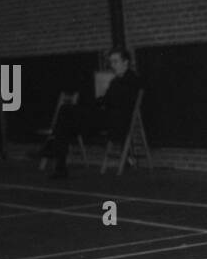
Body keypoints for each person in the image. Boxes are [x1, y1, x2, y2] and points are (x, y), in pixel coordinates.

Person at [44, 46, 141, 178]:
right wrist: (91, 103)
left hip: (115, 122)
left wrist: (98, 104)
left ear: (126, 62)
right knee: (66, 115)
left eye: (115, 61)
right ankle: (59, 163)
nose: (112, 65)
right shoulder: (115, 81)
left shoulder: (131, 80)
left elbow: (117, 103)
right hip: (105, 117)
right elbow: (106, 100)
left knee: (66, 115)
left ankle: (53, 146)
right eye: (111, 62)